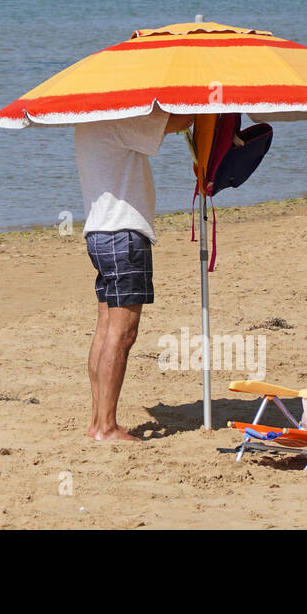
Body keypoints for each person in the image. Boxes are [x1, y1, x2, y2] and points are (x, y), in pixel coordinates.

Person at [76, 109, 193, 440]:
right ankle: (106, 426)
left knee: (105, 329)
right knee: (123, 333)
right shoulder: (117, 119)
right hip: (122, 234)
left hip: (100, 233)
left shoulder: (89, 120)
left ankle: (98, 422)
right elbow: (181, 122)